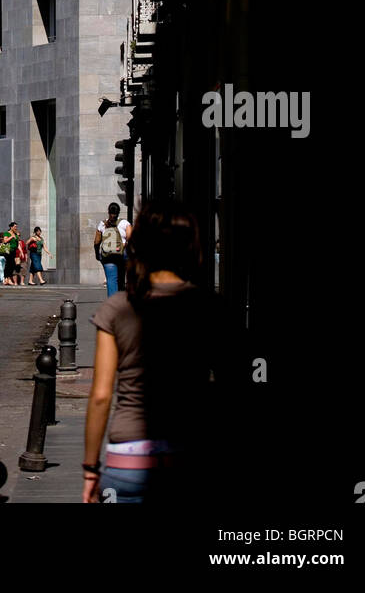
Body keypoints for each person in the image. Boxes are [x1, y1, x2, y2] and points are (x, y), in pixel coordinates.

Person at [82, 201, 224, 505]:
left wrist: (91, 469)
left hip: (129, 457)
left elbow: (101, 396)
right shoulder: (209, 307)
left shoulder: (117, 308)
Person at [95, 203, 128, 295]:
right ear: (119, 212)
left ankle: (113, 304)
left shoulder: (102, 224)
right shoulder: (124, 223)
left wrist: (97, 253)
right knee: (121, 277)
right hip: (121, 255)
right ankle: (121, 300)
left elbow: (96, 242)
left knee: (111, 279)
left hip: (107, 255)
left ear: (108, 212)